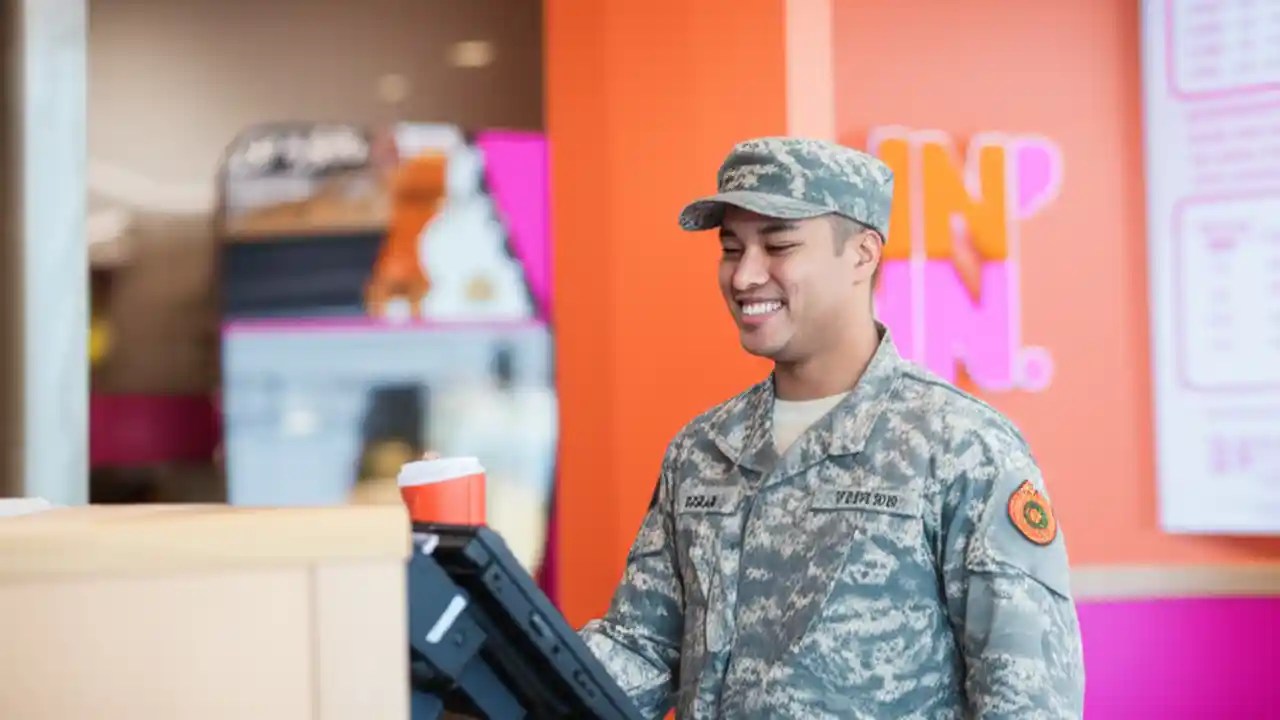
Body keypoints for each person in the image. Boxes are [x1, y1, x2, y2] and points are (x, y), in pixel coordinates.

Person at [577, 137, 1086, 719]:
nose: (745, 277)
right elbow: (641, 651)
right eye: (731, 249)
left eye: (779, 246)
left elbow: (1027, 698)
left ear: (863, 254)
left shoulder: (960, 447)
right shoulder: (702, 451)